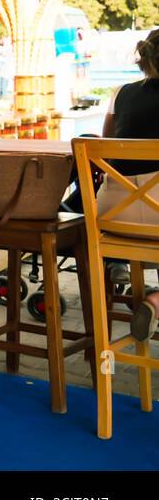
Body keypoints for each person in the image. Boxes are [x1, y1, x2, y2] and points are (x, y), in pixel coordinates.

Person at [97, 29, 159, 342]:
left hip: (114, 214)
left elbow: (106, 146)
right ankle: (156, 301)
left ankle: (117, 267)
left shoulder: (120, 93)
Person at [0, 36, 13, 101]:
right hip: (2, 67)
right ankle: (0, 99)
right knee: (2, 85)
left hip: (1, 67)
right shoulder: (1, 49)